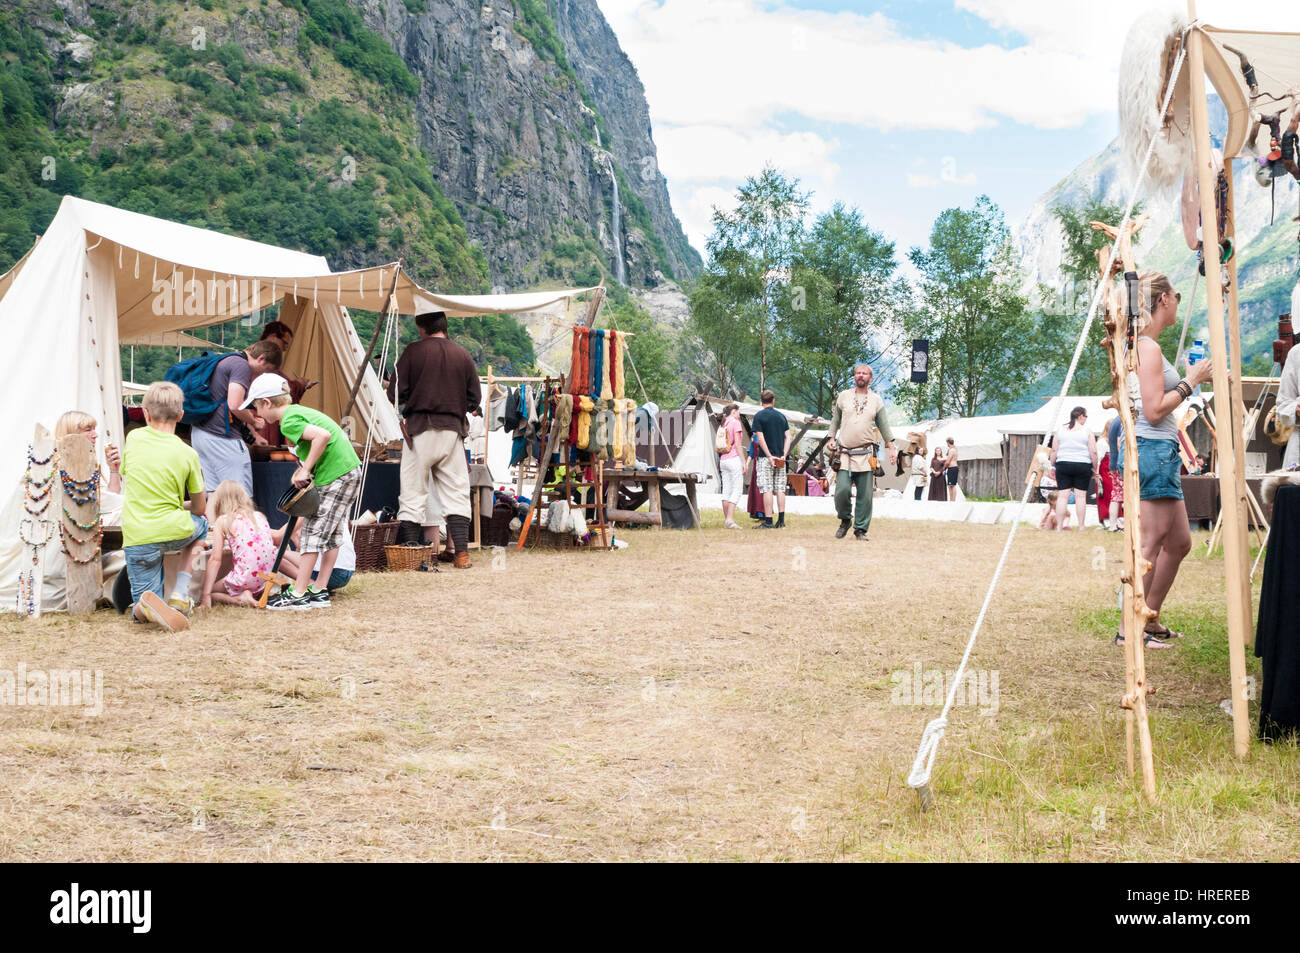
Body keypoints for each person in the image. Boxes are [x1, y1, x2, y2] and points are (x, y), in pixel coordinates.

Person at [1115, 272, 1218, 650]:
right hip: (1153, 448)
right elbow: (1156, 410)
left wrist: (1194, 379)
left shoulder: (1146, 347)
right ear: (1163, 301)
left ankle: (1150, 616)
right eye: (1174, 295)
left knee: (1179, 541)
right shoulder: (1148, 348)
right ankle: (1129, 629)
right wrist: (1190, 381)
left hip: (1162, 450)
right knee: (1151, 542)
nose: (1176, 300)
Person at [250, 374, 361, 610]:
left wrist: (307, 469)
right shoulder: (297, 412)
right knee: (332, 534)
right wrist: (304, 470)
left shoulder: (288, 421)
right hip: (347, 471)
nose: (258, 414)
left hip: (336, 475)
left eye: (257, 407)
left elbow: (323, 436)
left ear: (267, 403)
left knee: (312, 533)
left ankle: (299, 593)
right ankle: (319, 590)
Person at [389, 310, 482, 567]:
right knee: (457, 492)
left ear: (422, 327)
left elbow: (394, 391)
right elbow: (475, 398)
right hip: (452, 430)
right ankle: (461, 554)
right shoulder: (462, 355)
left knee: (412, 491)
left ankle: (411, 554)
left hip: (420, 429)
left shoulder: (413, 352)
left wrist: (413, 401)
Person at [120, 381, 208, 632]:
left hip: (138, 537)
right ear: (181, 416)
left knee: (143, 608)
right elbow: (200, 508)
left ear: (145, 413)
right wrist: (181, 505)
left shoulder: (133, 438)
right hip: (175, 530)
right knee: (202, 525)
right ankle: (180, 593)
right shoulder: (188, 453)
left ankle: (144, 606)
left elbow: (129, 474)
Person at [191, 339, 282, 495]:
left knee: (215, 494)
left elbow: (225, 404)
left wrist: (254, 435)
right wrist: (254, 421)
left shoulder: (226, 359)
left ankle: (215, 521)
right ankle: (242, 520)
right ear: (261, 358)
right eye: (265, 370)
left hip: (201, 434)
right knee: (240, 494)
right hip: (222, 438)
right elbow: (234, 404)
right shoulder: (241, 366)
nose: (261, 374)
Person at [827, 363, 897, 540]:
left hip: (866, 455)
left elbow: (884, 425)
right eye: (858, 373)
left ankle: (860, 530)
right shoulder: (843, 396)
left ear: (870, 378)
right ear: (854, 376)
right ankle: (845, 519)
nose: (860, 376)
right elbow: (835, 420)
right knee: (842, 491)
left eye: (864, 373)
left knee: (865, 496)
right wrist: (830, 438)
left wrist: (892, 447)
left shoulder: (876, 400)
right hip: (844, 454)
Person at [200, 480, 286, 607]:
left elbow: (215, 559)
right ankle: (251, 592)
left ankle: (240, 598)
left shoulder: (223, 521)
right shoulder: (259, 516)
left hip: (245, 577)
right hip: (267, 577)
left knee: (212, 592)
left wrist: (205, 595)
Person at [1048, 406, 1099, 531]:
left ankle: (1059, 526)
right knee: (1080, 497)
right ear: (1081, 416)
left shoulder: (1060, 429)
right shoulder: (1087, 430)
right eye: (1085, 416)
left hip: (1063, 464)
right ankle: (1081, 526)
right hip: (1082, 464)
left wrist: (1051, 465)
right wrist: (1095, 468)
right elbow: (1093, 451)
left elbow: (1054, 450)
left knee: (1063, 496)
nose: (1086, 419)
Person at [54, 411, 122, 496]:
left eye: (94, 429)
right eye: (88, 430)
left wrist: (114, 469)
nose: (95, 435)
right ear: (71, 434)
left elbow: (113, 497)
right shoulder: (59, 468)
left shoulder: (89, 464)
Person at [751, 390, 790, 529]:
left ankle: (768, 521)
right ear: (773, 400)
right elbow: (788, 437)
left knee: (767, 488)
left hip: (765, 458)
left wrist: (768, 455)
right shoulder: (781, 417)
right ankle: (781, 520)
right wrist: (784, 455)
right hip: (780, 458)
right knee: (780, 488)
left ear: (761, 401)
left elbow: (760, 438)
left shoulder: (759, 417)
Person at [718, 404, 746, 529]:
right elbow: (738, 444)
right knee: (737, 489)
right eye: (738, 411)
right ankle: (729, 519)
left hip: (723, 459)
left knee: (726, 490)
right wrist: (744, 462)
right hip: (733, 458)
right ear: (734, 411)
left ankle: (727, 520)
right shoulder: (735, 422)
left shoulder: (723, 424)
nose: (739, 414)